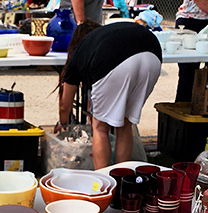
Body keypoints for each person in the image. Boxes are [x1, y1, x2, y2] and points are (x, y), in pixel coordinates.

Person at [56, 19, 162, 169]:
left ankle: (104, 181)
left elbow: (64, 106)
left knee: (100, 127)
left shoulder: (79, 53)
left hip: (114, 60)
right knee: (125, 124)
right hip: (153, 53)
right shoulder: (103, 37)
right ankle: (122, 180)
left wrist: (62, 123)